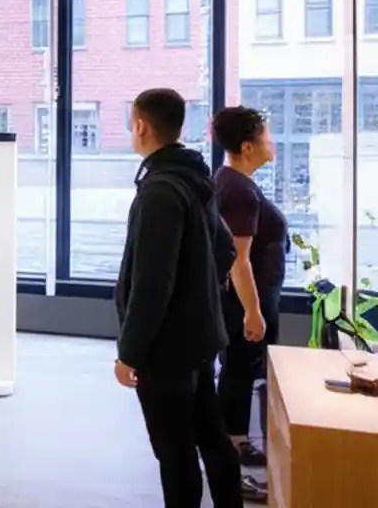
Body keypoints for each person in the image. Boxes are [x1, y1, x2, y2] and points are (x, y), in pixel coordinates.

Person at [114, 88, 243, 508]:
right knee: (211, 437)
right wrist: (200, 293)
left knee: (175, 454)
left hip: (167, 351)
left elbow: (152, 284)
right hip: (201, 339)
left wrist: (129, 353)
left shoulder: (159, 191)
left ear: (141, 126)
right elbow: (225, 249)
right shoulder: (194, 178)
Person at [212, 106, 287, 499]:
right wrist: (253, 311)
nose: (271, 142)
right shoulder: (238, 190)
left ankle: (237, 441)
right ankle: (230, 450)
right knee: (238, 372)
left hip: (249, 300)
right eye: (266, 136)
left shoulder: (235, 183)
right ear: (246, 146)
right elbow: (238, 261)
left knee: (239, 372)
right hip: (243, 304)